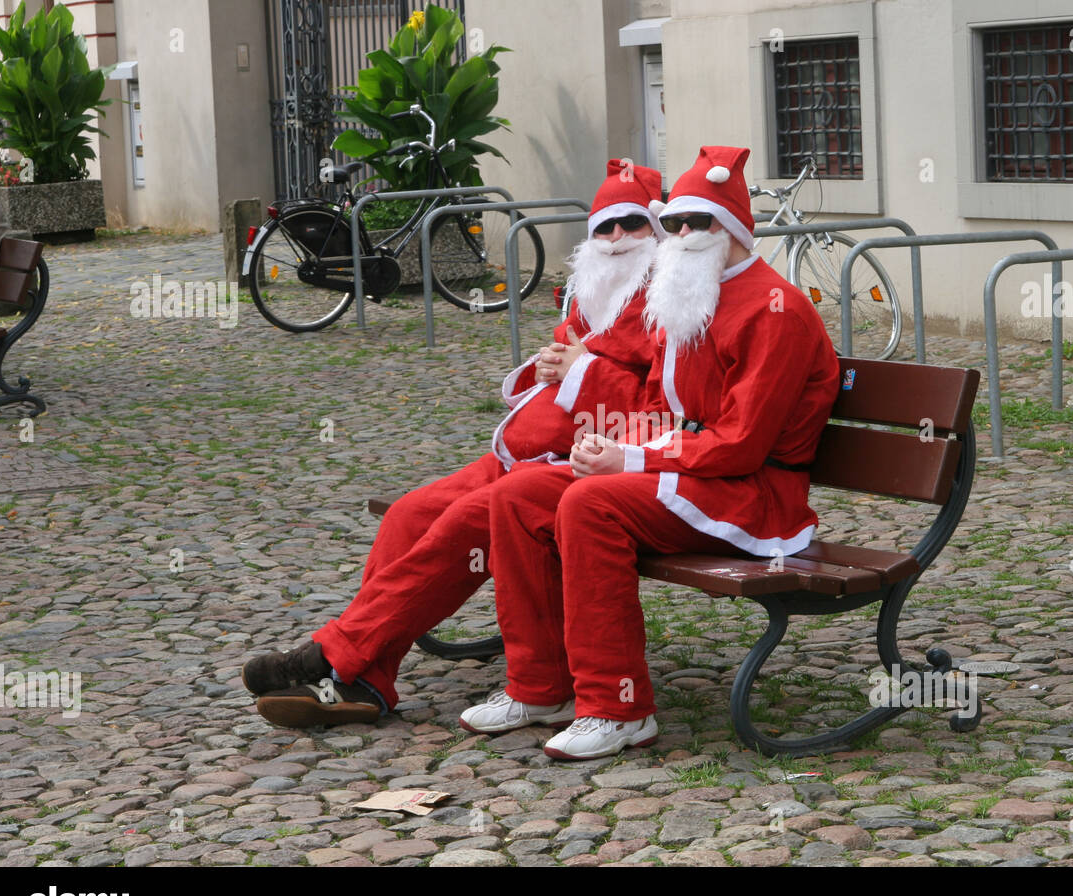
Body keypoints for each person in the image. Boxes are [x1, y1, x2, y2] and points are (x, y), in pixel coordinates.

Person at [242, 160, 666, 728]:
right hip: (528, 452)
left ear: (657, 232)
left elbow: (656, 410)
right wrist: (548, 369)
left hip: (586, 467)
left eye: (631, 225)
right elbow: (567, 366)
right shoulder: (592, 293)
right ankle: (370, 679)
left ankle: (339, 658)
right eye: (604, 228)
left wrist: (582, 371)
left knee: (472, 521)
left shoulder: (670, 303)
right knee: (409, 514)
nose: (616, 241)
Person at [463, 146, 842, 759]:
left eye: (704, 222)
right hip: (694, 469)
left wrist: (630, 461)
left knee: (591, 506)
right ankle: (538, 687)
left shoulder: (778, 311)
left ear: (737, 230)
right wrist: (615, 444)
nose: (686, 234)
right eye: (676, 222)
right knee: (518, 495)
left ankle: (618, 709)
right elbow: (674, 413)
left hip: (755, 497)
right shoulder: (687, 296)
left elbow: (741, 443)